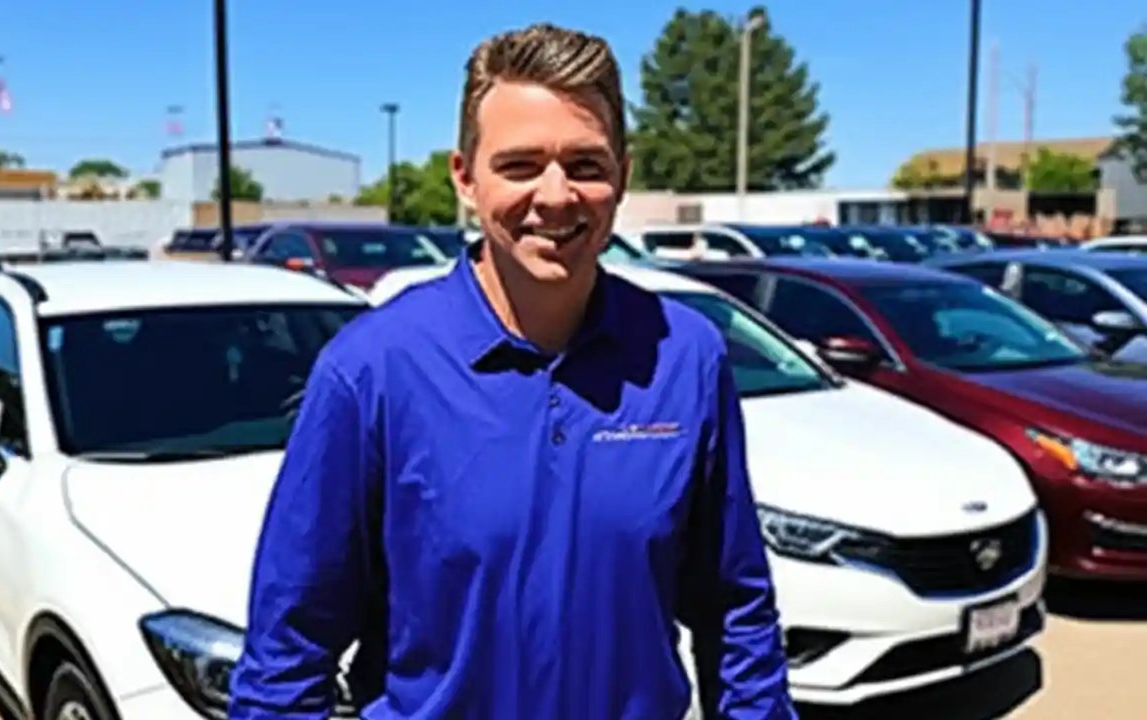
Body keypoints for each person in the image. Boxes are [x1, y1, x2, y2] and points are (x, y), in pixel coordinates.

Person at [229, 22, 795, 719]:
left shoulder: (685, 356)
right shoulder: (373, 369)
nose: (556, 196)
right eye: (520, 165)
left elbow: (735, 610)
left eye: (585, 164)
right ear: (465, 178)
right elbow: (287, 655)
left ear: (622, 175)